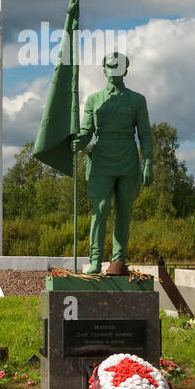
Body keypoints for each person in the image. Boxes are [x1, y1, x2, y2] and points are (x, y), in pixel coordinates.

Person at [71, 52, 153, 273]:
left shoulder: (137, 100)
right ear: (104, 69)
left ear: (125, 70)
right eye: (110, 66)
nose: (114, 70)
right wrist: (77, 142)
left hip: (128, 158)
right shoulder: (94, 100)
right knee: (100, 208)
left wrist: (148, 163)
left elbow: (145, 133)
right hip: (101, 160)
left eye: (118, 67)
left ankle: (118, 260)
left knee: (124, 211)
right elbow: (87, 132)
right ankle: (95, 260)